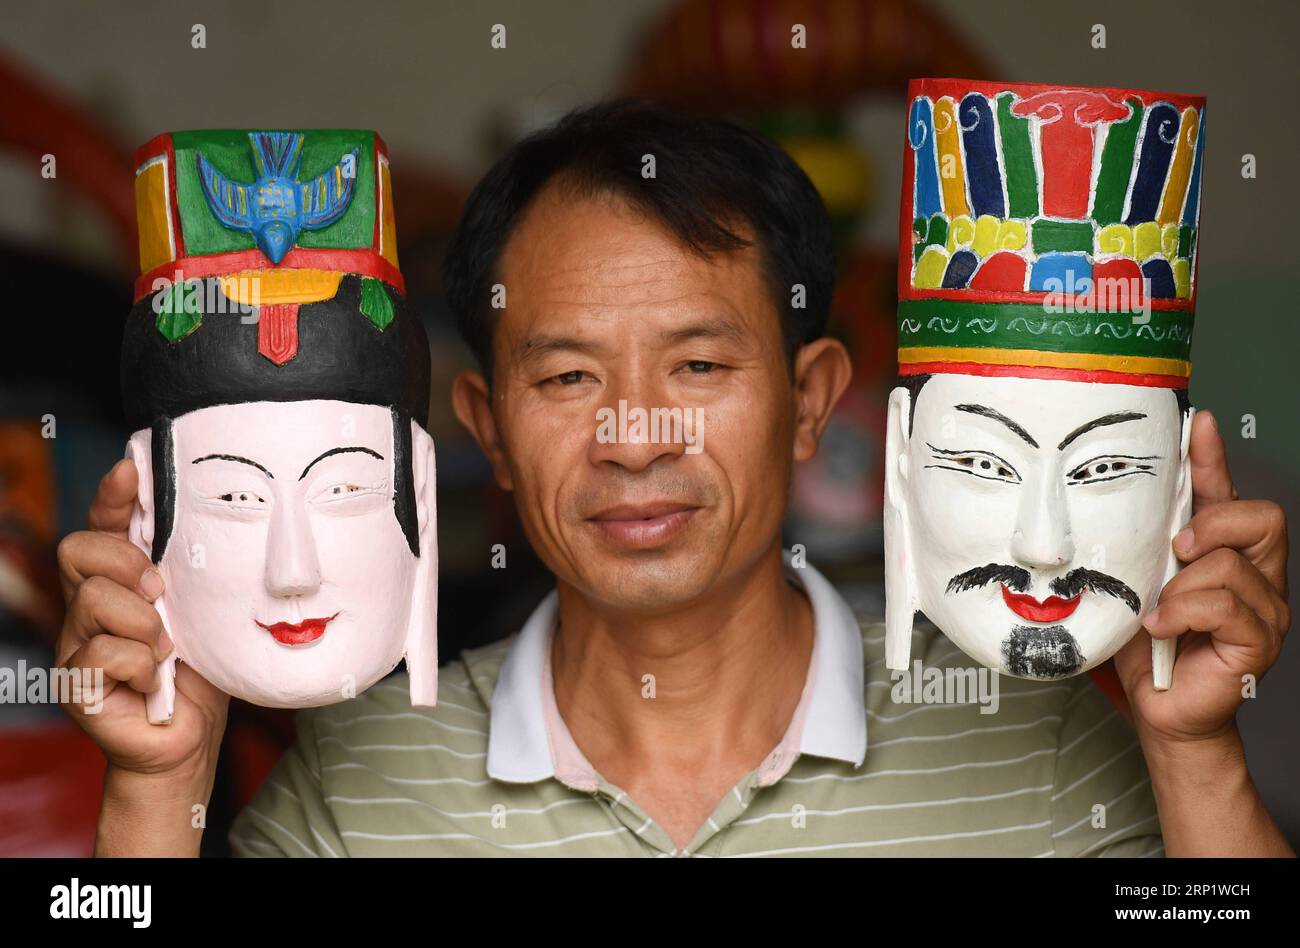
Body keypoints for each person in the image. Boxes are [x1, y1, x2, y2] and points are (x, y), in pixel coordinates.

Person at [59, 101, 1292, 857]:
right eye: (566, 380)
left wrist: (1197, 755)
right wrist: (152, 792)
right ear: (483, 422)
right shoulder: (369, 765)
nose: (635, 435)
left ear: (810, 401)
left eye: (698, 363)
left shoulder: (1036, 741)